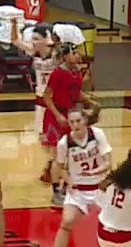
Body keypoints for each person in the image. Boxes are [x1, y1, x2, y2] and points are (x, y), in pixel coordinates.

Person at [44, 105, 110, 247]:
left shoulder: (97, 135)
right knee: (66, 223)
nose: (75, 124)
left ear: (85, 121)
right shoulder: (64, 143)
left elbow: (108, 162)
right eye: (71, 122)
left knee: (114, 229)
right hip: (78, 192)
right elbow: (59, 167)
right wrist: (66, 179)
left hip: (100, 189)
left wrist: (96, 170)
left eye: (78, 121)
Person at [42, 43, 98, 206]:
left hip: (70, 115)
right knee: (56, 154)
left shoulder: (77, 72)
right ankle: (55, 192)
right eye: (74, 53)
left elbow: (76, 91)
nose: (78, 56)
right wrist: (58, 115)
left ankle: (66, 187)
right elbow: (46, 96)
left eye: (78, 53)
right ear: (65, 56)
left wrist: (89, 101)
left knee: (69, 154)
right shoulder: (58, 73)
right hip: (56, 115)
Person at [17, 23, 58, 181]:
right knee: (43, 137)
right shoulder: (34, 52)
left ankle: (54, 166)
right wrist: (15, 24)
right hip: (40, 99)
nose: (33, 42)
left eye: (36, 38)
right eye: (32, 39)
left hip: (55, 99)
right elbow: (16, 41)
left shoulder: (56, 55)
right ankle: (51, 164)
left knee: (58, 136)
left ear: (45, 39)